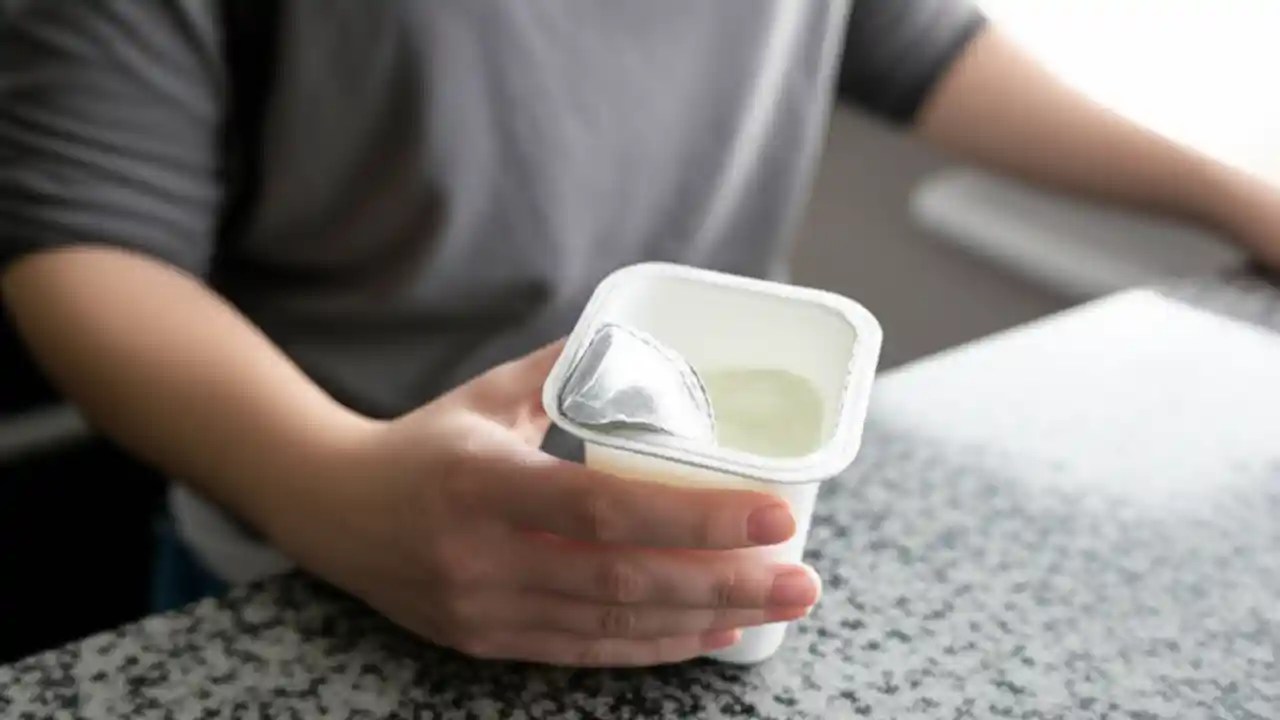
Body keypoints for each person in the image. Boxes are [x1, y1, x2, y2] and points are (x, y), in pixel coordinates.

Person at [1, 0, 1277, 668]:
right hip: (308, 553)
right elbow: (81, 242)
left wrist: (1237, 195)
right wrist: (331, 488)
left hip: (716, 518)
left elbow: (915, 42)